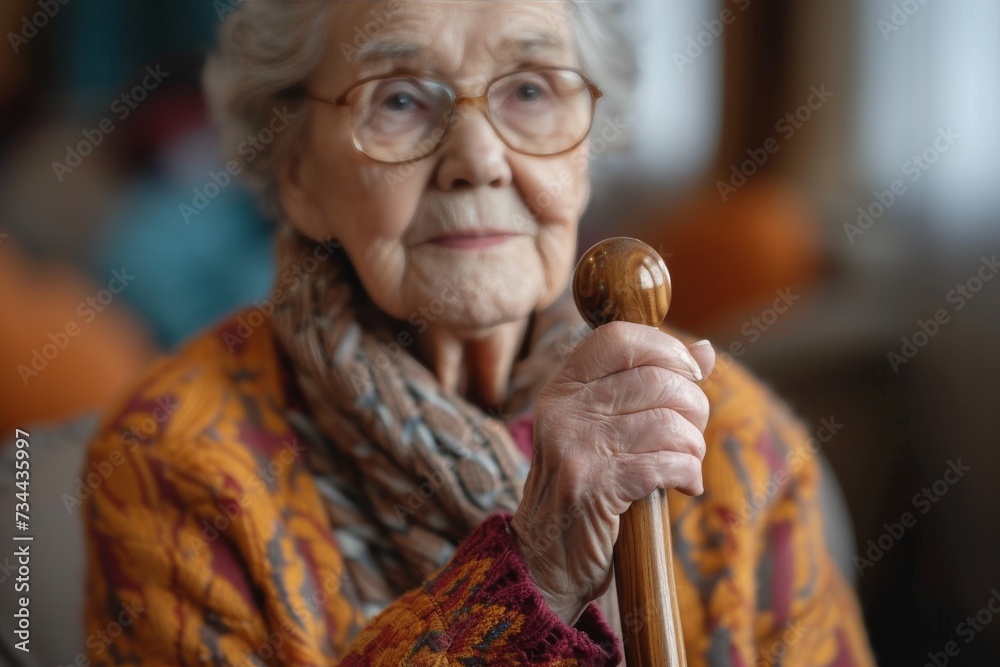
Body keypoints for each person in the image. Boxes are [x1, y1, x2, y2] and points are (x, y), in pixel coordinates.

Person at [82, 1, 876, 664]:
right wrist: (537, 568)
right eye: (398, 99)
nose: (478, 157)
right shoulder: (174, 464)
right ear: (297, 170)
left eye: (530, 90)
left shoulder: (736, 445)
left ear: (587, 149)